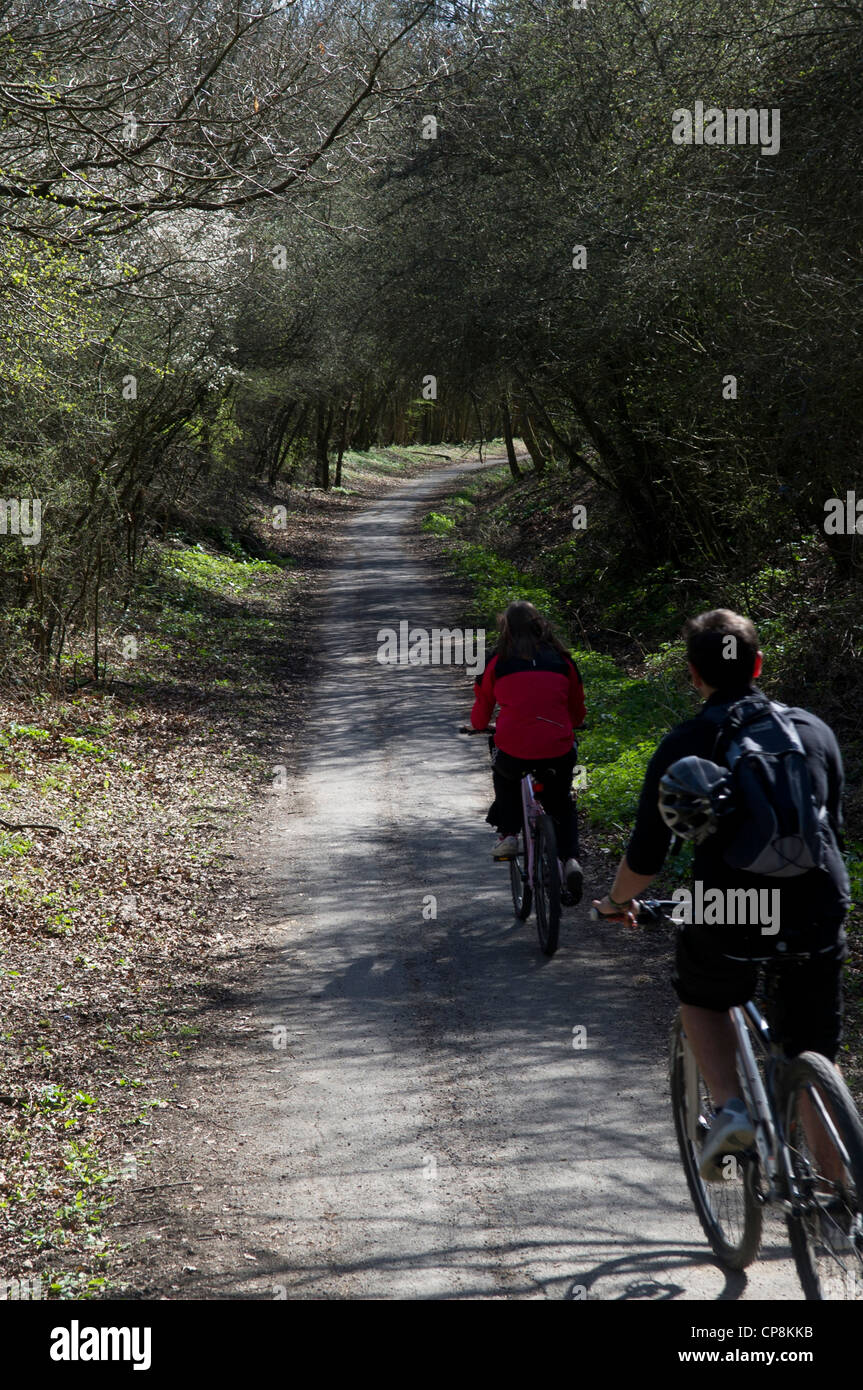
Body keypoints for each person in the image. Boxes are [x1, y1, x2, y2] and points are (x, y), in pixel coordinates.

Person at [593, 609, 849, 1180]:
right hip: (818, 904)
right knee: (813, 1051)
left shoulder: (688, 741)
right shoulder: (812, 731)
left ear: (693, 675)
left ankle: (731, 1109)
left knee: (703, 994)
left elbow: (646, 857)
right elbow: (834, 827)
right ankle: (840, 1201)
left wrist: (616, 902)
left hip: (731, 909)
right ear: (758, 664)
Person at [470, 600, 586, 901]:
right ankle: (570, 859)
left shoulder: (495, 661)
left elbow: (481, 712)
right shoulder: (563, 659)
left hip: (514, 748)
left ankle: (509, 834)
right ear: (540, 625)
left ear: (505, 628)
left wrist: (479, 725)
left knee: (504, 772)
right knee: (562, 800)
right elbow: (577, 711)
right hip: (558, 749)